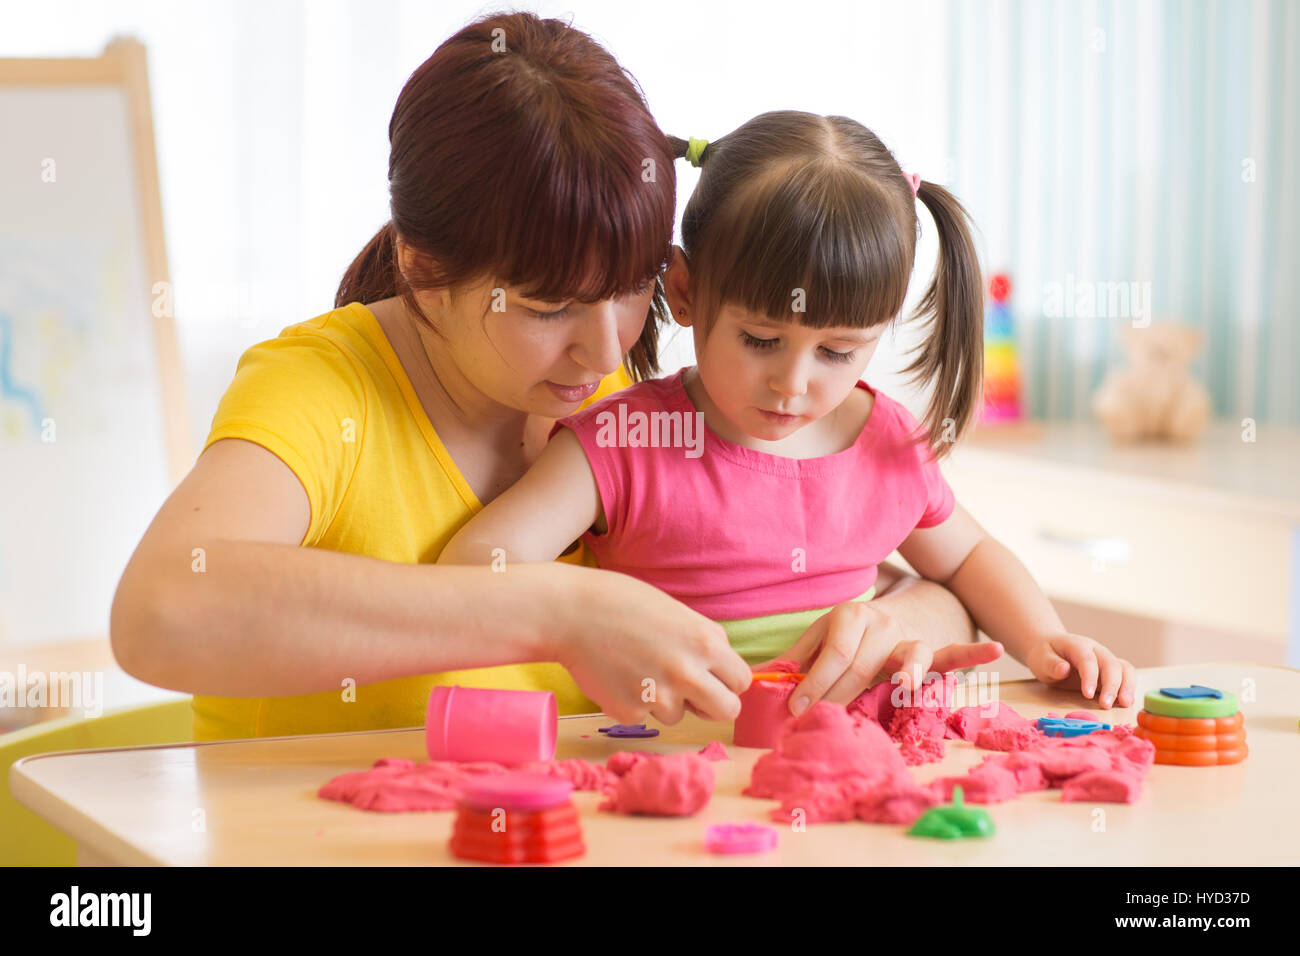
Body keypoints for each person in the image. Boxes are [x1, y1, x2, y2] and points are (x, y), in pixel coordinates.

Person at [110, 14, 978, 741]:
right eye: (545, 307)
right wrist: (551, 611)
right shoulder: (326, 390)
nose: (604, 355)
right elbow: (161, 609)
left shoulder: (622, 413)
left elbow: (899, 565)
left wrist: (907, 624)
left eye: (633, 292)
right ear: (423, 270)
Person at [439, 111, 1138, 715]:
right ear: (684, 291)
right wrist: (596, 619)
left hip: (852, 772)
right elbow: (477, 563)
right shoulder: (627, 440)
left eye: (837, 351)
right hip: (673, 765)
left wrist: (1045, 640)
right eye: (760, 340)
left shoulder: (886, 440)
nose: (792, 384)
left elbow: (971, 558)